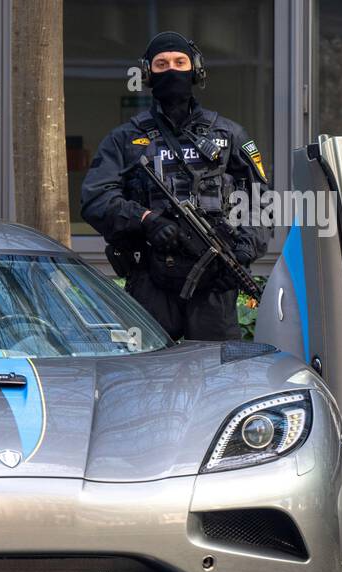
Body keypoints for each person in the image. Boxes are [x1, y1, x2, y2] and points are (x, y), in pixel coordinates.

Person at [81, 31, 269, 340]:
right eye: (162, 63)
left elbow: (261, 201)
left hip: (214, 285)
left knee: (217, 379)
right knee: (150, 378)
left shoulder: (228, 134)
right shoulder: (125, 139)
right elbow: (95, 198)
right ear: (148, 74)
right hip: (151, 283)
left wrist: (239, 253)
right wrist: (146, 221)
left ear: (195, 70)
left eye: (180, 62)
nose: (171, 69)